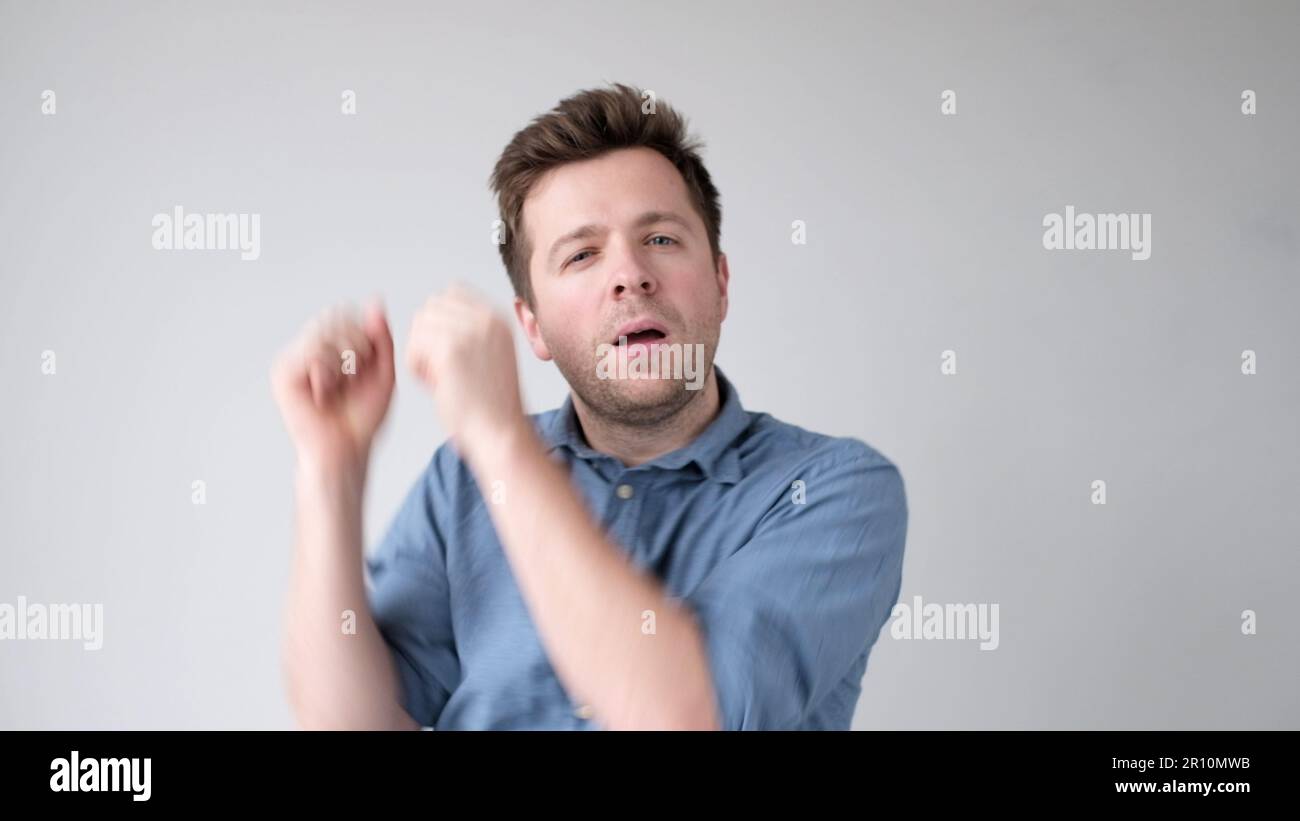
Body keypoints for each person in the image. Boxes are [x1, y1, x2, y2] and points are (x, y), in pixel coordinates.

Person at [271, 83, 908, 730]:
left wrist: (496, 437)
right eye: (582, 254)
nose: (629, 274)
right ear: (534, 327)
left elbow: (684, 718)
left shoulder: (837, 490)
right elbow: (349, 721)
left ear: (720, 283)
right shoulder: (461, 483)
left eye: (659, 239)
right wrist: (331, 465)